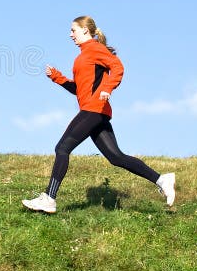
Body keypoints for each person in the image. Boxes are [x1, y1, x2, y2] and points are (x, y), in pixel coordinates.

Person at [22, 16, 175, 213]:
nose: (70, 34)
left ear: (85, 30)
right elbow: (79, 89)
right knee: (116, 157)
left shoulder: (95, 49)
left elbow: (117, 67)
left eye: (73, 30)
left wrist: (108, 88)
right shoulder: (82, 56)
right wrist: (57, 78)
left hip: (94, 109)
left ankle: (49, 198)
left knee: (62, 148)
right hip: (96, 111)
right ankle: (162, 180)